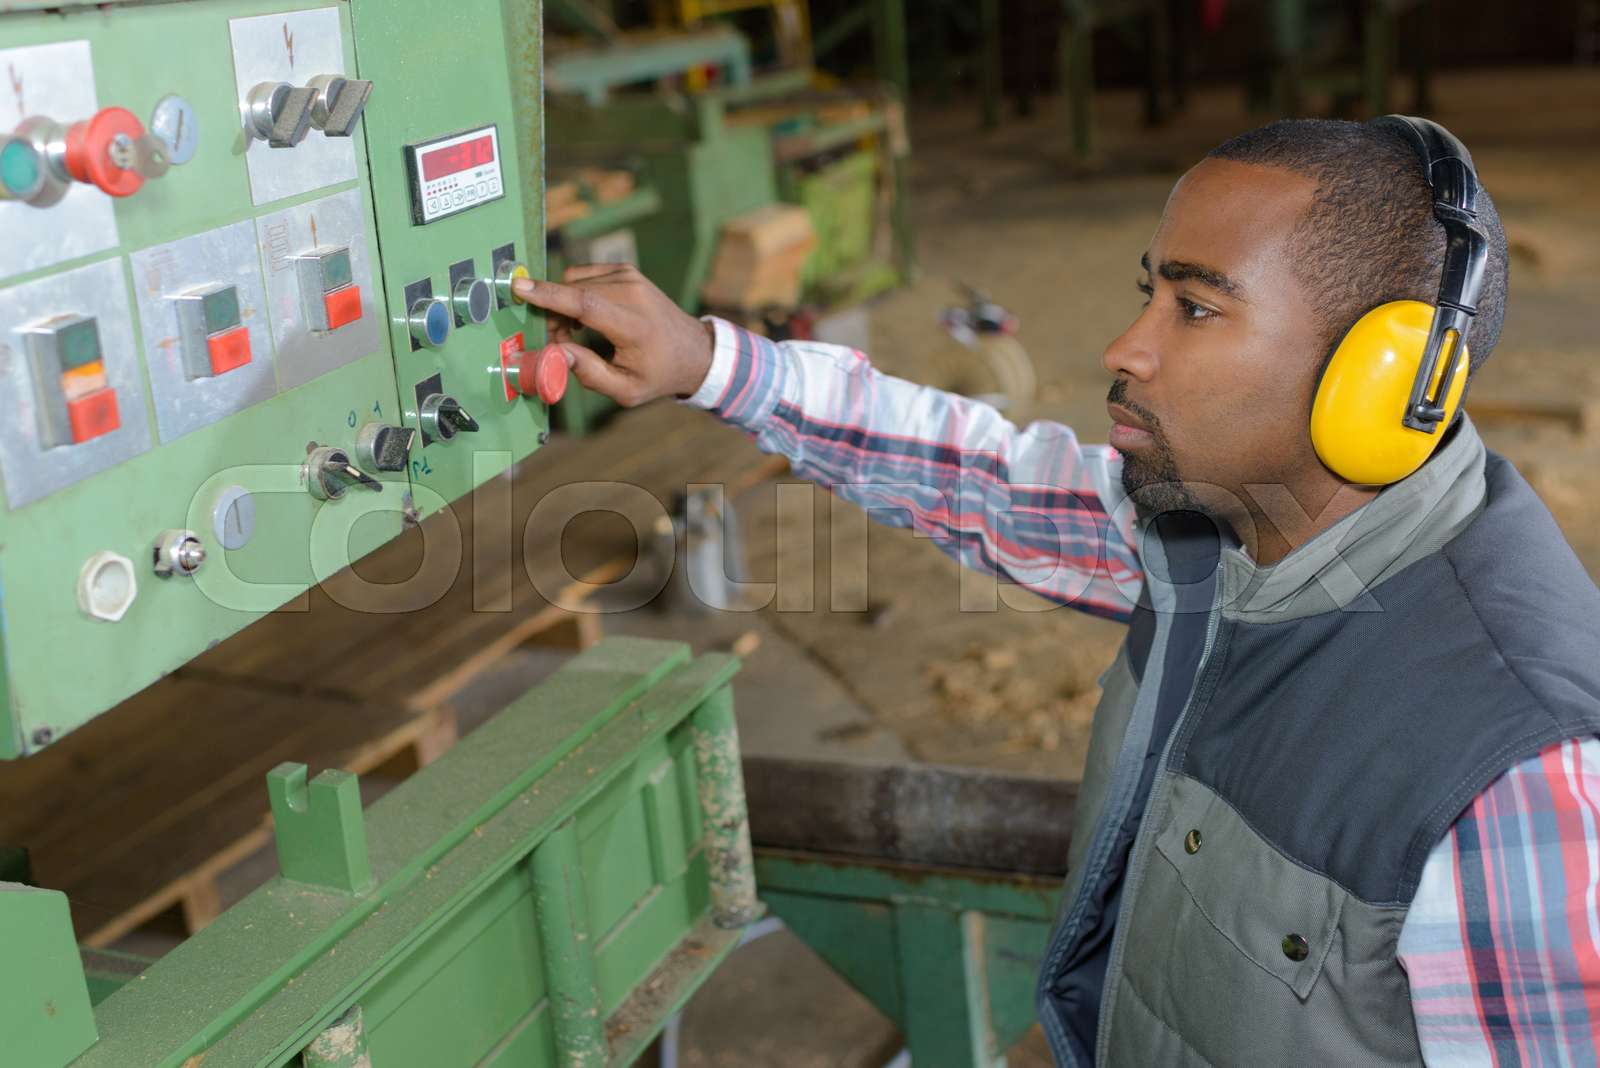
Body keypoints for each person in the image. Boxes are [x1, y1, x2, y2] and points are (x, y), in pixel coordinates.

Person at [513, 117, 1600, 1065]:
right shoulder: (1229, 538)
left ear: (1383, 378)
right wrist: (709, 360)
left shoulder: (1518, 769)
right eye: (1148, 291)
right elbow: (982, 479)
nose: (1125, 346)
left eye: (1196, 309)